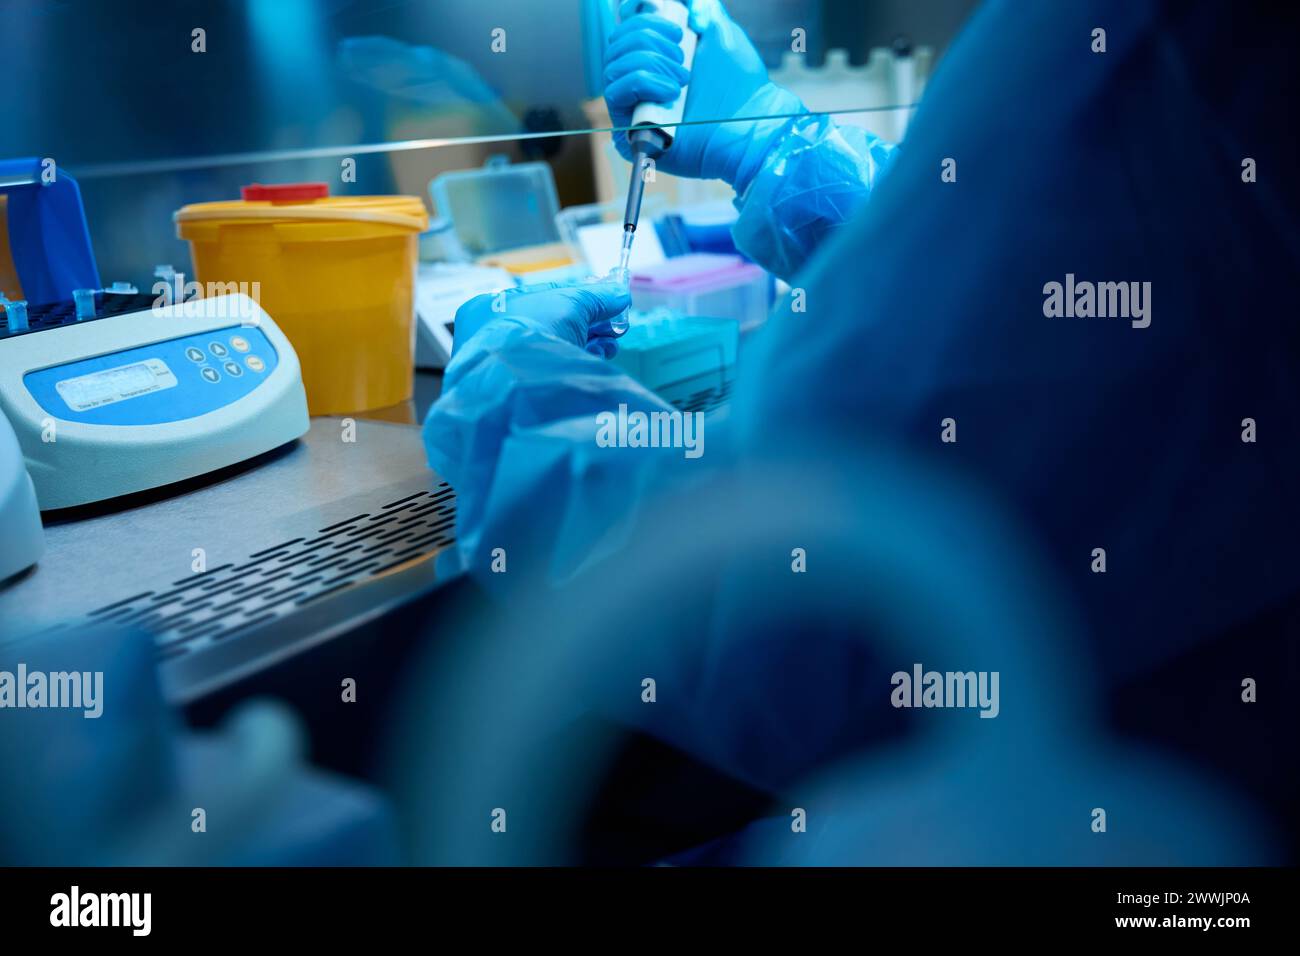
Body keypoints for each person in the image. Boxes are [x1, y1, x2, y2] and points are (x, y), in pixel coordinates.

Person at [420, 0, 1299, 861]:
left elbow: (780, 587)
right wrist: (780, 144)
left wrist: (507, 379)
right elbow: (1006, 299)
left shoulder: (1147, 39)